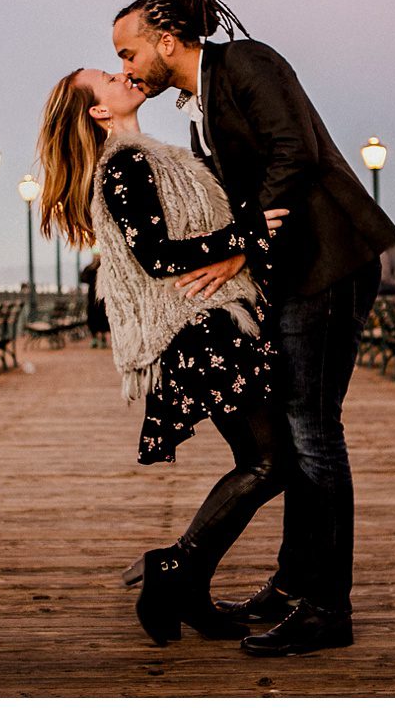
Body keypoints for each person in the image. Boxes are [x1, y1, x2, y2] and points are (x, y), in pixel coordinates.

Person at [113, 0, 395, 656]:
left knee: (313, 433)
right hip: (294, 275)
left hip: (328, 262)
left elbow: (292, 152)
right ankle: (292, 583)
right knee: (303, 433)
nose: (126, 66)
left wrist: (244, 248)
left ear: (165, 37)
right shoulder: (199, 103)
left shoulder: (246, 61)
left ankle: (328, 607)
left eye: (128, 52)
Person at [36, 66, 293, 647]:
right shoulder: (124, 163)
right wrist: (246, 236)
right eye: (107, 77)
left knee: (261, 458)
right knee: (268, 461)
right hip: (196, 328)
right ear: (98, 111)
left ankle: (187, 584)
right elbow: (156, 256)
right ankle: (175, 568)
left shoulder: (147, 155)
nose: (123, 74)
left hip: (209, 323)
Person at [80, 252, 110, 347]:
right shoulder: (90, 268)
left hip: (102, 298)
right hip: (92, 298)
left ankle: (103, 337)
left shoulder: (104, 268)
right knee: (92, 318)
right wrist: (92, 267)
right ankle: (94, 338)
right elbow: (83, 279)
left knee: (102, 318)